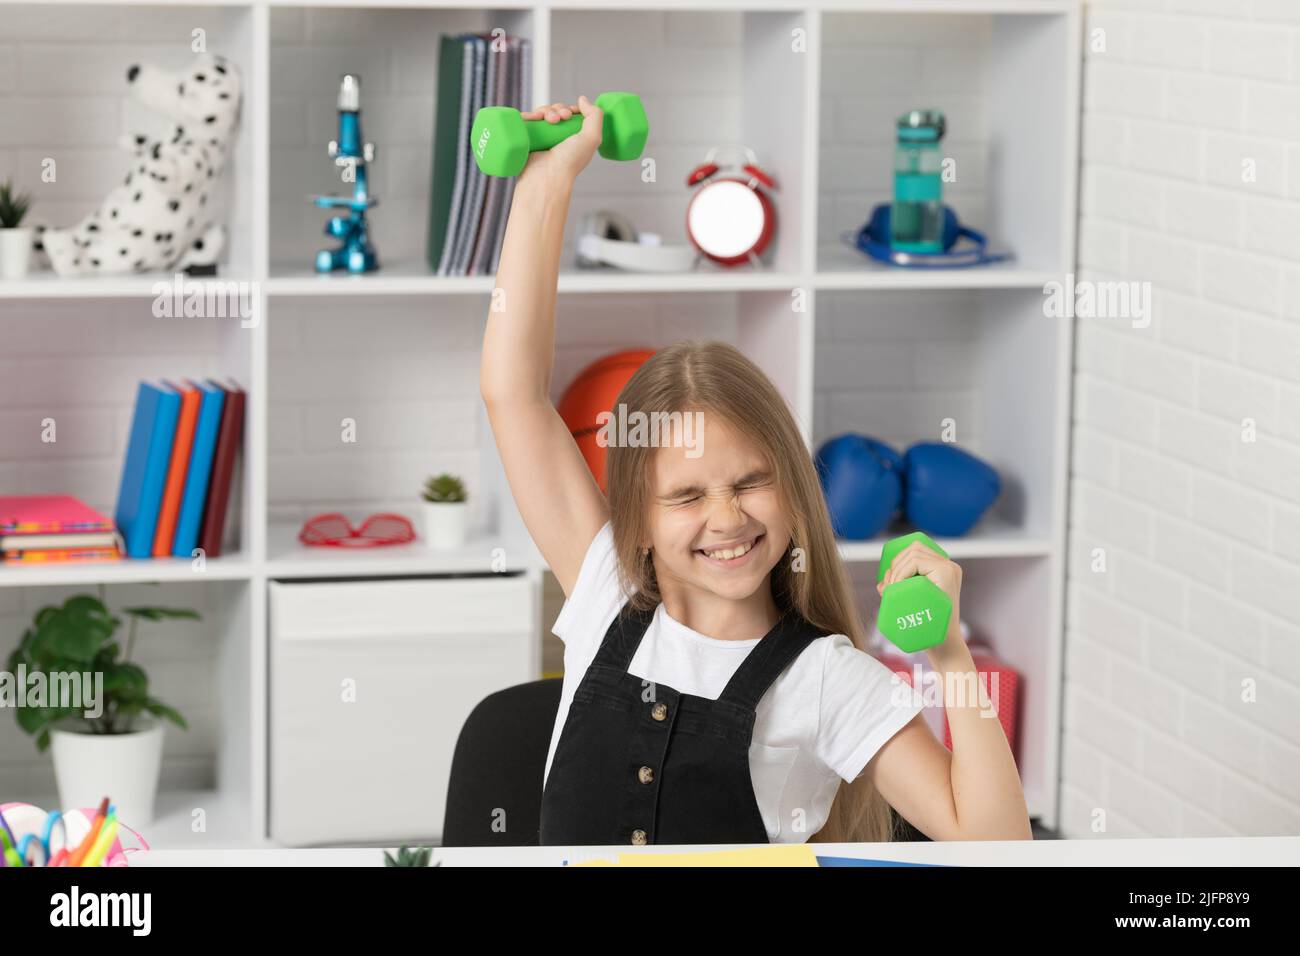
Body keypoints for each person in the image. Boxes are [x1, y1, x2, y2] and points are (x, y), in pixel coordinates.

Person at [480, 95, 1031, 845]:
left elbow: (995, 849)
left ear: (795, 487)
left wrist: (950, 656)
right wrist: (546, 181)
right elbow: (511, 391)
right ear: (638, 518)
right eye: (686, 495)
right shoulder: (604, 589)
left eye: (749, 482)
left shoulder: (828, 677)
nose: (728, 517)